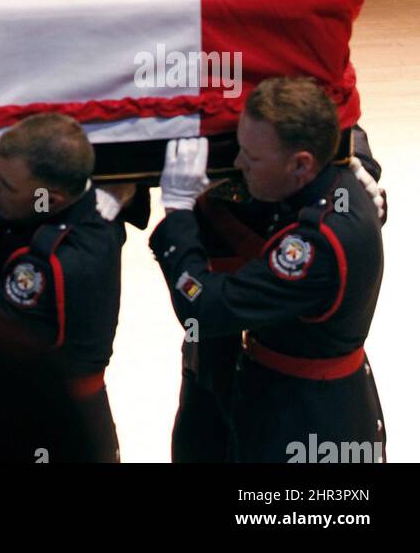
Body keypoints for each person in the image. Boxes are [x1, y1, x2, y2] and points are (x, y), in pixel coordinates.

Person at [150, 78, 385, 463]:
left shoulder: (313, 245)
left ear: (300, 164)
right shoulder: (333, 184)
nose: (238, 165)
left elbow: (203, 308)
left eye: (251, 157)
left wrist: (178, 214)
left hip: (307, 422)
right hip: (295, 393)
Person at [0, 115, 129, 462]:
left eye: (6, 185)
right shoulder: (84, 212)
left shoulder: (50, 265)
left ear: (48, 198)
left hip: (45, 425)